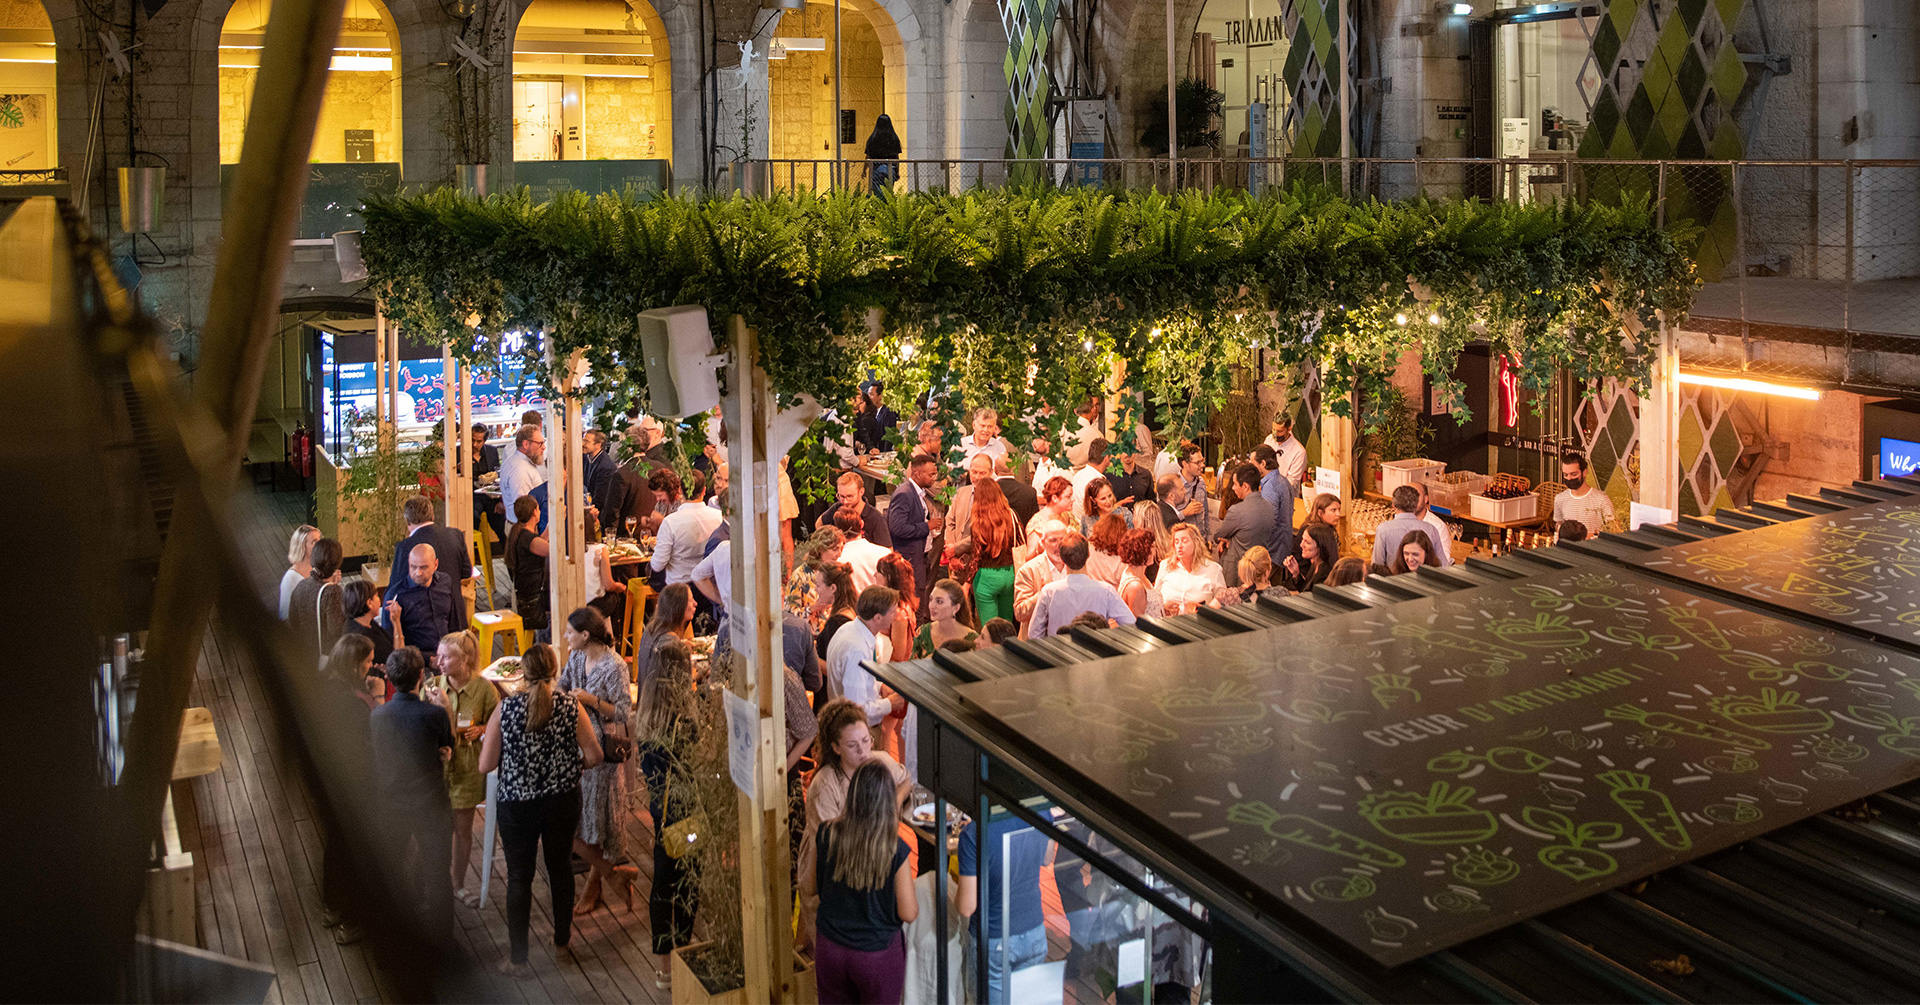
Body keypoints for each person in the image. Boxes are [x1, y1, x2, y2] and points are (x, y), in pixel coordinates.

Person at [478, 643, 601, 979]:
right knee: (560, 868)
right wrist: (570, 768)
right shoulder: (572, 707)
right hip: (562, 800)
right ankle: (562, 944)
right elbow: (594, 756)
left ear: (522, 674)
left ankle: (518, 960)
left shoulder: (505, 710)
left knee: (520, 877)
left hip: (516, 804)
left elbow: (485, 764)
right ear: (555, 671)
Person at [801, 699, 912, 948]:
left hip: (868, 863)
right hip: (832, 872)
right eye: (853, 745)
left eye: (866, 741)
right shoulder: (825, 786)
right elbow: (830, 845)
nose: (863, 751)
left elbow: (906, 780)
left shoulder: (878, 762)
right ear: (836, 747)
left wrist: (895, 799)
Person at [806, 760, 917, 1004]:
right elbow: (908, 913)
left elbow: (810, 887)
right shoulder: (895, 849)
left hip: (830, 948)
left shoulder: (827, 833)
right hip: (876, 955)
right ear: (889, 801)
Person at [368, 647, 456, 935]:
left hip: (392, 804)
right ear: (421, 676)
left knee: (393, 870)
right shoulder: (433, 715)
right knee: (438, 875)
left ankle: (392, 933)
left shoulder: (378, 716)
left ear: (390, 676)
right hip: (430, 805)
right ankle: (442, 937)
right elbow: (447, 745)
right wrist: (443, 708)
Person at [559, 607, 636, 916]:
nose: (565, 637)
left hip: (603, 749)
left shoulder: (615, 666)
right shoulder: (577, 658)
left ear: (585, 635)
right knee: (575, 821)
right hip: (576, 744)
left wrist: (591, 701)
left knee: (598, 818)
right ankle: (611, 875)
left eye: (569, 632)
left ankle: (596, 884)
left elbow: (623, 712)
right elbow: (563, 685)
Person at [633, 637, 700, 987]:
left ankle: (664, 968)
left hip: (661, 812)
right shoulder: (685, 721)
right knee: (687, 885)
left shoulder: (647, 716)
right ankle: (684, 953)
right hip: (688, 815)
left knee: (661, 886)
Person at [428, 630, 498, 909]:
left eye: (446, 657)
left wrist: (481, 728)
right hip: (437, 770)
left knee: (463, 831)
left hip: (468, 769)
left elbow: (497, 723)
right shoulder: (432, 686)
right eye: (439, 655)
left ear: (466, 659)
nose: (439, 662)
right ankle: (435, 883)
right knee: (436, 830)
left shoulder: (484, 689)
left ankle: (457, 884)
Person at [956, 805, 1051, 1004]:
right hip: (1035, 932)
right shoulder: (1042, 813)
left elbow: (966, 906)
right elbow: (1047, 858)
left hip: (994, 941)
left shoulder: (974, 834)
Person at [317, 635, 377, 944]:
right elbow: (369, 741)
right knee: (356, 853)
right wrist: (375, 700)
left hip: (331, 779)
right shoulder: (354, 703)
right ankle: (352, 922)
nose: (371, 666)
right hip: (356, 784)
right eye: (368, 662)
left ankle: (331, 907)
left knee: (335, 847)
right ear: (355, 665)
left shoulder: (327, 685)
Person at [825, 586, 907, 728]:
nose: (895, 616)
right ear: (877, 618)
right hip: (858, 730)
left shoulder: (848, 628)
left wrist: (880, 686)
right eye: (892, 612)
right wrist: (890, 704)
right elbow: (857, 708)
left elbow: (860, 683)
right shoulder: (858, 650)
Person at [1027, 532, 1137, 637]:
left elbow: (1034, 633)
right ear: (1088, 555)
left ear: (1062, 559)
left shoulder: (1049, 591)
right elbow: (1131, 624)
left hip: (1059, 652)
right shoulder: (1106, 590)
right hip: (1095, 652)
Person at [380, 543, 467, 657]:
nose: (418, 573)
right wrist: (428, 659)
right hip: (415, 660)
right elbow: (391, 645)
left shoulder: (445, 582)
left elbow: (454, 623)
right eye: (413, 567)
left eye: (423, 567)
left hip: (447, 652)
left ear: (435, 564)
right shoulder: (396, 596)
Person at [651, 467, 726, 589]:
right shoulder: (719, 517)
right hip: (710, 587)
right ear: (704, 491)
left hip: (679, 589)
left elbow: (657, 565)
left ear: (680, 490)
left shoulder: (670, 522)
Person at [388, 494, 472, 591]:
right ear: (432, 515)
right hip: (454, 604)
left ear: (407, 521)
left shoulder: (405, 547)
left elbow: (395, 587)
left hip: (421, 605)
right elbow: (466, 572)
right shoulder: (455, 534)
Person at [1212, 464, 1275, 588]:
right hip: (1260, 568)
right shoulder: (1270, 508)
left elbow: (1218, 536)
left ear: (1245, 486)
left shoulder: (1237, 511)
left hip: (1238, 571)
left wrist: (1226, 539)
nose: (1233, 488)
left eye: (1235, 484)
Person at [286, 536, 346, 668]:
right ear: (337, 563)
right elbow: (337, 630)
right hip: (326, 660)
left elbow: (293, 622)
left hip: (305, 656)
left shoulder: (302, 585)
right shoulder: (333, 593)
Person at [887, 454, 938, 608]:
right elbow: (897, 528)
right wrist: (926, 526)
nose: (934, 478)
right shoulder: (905, 494)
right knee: (915, 605)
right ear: (917, 474)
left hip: (920, 556)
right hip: (909, 559)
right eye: (931, 474)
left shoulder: (918, 492)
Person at [969, 477, 1019, 624]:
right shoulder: (1011, 515)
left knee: (989, 627)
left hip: (986, 577)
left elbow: (976, 555)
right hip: (1009, 574)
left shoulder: (979, 520)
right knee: (1006, 624)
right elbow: (1020, 542)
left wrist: (966, 583)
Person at [1372, 484, 1453, 568]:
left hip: (1392, 580)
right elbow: (1443, 566)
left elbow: (1377, 567)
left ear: (1393, 505)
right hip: (1423, 580)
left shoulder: (1383, 529)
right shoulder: (1431, 529)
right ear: (1415, 505)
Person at [636, 582, 694, 692]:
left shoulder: (650, 630)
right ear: (679, 607)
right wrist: (697, 675)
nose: (695, 604)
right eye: (691, 601)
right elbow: (681, 692)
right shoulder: (671, 644)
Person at [1012, 525, 1069, 638]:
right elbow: (1020, 613)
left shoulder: (1075, 566)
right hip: (1039, 641)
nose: (1058, 545)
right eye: (1053, 540)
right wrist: (1042, 594)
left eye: (1062, 540)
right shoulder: (1028, 570)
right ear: (1042, 542)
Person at [1158, 522, 1226, 614]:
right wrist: (1163, 608)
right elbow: (1155, 599)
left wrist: (1203, 611)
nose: (1179, 546)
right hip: (1167, 622)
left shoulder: (1214, 569)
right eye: (1176, 542)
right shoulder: (1165, 566)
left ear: (1196, 543)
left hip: (1199, 624)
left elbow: (1223, 603)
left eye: (1184, 541)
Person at [787, 527, 846, 631]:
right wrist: (813, 608)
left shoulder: (835, 572)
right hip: (809, 636)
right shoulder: (800, 576)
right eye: (835, 549)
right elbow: (788, 617)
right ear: (820, 549)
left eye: (841, 548)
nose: (840, 554)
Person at [505, 495, 550, 631]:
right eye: (538, 508)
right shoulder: (528, 539)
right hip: (534, 596)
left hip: (525, 591)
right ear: (534, 512)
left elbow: (540, 543)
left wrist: (550, 527)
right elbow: (553, 550)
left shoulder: (519, 532)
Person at [815, 470, 892, 548]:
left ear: (861, 492)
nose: (845, 501)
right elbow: (819, 523)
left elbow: (888, 550)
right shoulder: (838, 507)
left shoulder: (875, 518)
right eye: (841, 496)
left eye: (850, 496)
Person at [943, 452, 996, 554]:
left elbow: (985, 532)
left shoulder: (996, 498)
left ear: (991, 472)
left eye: (982, 473)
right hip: (955, 555)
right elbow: (950, 520)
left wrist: (956, 548)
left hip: (981, 557)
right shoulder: (961, 492)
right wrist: (951, 550)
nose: (977, 477)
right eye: (974, 472)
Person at [500, 424, 547, 537]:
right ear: (526, 444)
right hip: (524, 531)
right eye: (540, 443)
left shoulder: (517, 462)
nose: (544, 447)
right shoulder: (520, 470)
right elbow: (524, 509)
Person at [1252, 444, 1295, 562]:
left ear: (1263, 464)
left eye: (1253, 464)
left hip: (1272, 552)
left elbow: (1268, 522)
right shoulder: (1283, 480)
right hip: (1282, 548)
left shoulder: (1270, 487)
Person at [1554, 452, 1616, 535]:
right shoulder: (1560, 499)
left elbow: (1614, 529)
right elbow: (1559, 525)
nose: (1569, 478)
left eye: (1574, 474)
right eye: (1565, 475)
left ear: (1584, 472)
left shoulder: (1601, 499)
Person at [342, 577, 397, 670]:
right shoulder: (363, 636)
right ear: (369, 603)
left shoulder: (357, 621)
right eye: (376, 596)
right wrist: (396, 622)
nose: (379, 600)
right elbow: (396, 658)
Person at [834, 505, 893, 592]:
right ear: (862, 524)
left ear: (838, 531)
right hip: (882, 603)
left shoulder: (838, 560)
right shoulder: (885, 553)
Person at [913, 579, 978, 656]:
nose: (931, 606)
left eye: (939, 601)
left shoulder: (972, 639)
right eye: (931, 599)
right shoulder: (923, 632)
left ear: (956, 608)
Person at [876, 551, 919, 663]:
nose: (874, 575)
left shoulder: (899, 613)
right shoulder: (891, 605)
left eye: (878, 572)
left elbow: (898, 656)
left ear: (889, 577)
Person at [813, 562, 860, 663]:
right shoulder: (852, 610)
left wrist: (810, 657)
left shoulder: (838, 622)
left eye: (818, 585)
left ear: (833, 588)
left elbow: (834, 669)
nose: (816, 590)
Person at [582, 430, 625, 538]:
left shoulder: (605, 467)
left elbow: (600, 499)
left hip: (598, 516)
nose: (583, 444)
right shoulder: (587, 458)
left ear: (598, 445)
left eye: (587, 441)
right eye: (583, 440)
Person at [1117, 527, 1165, 619]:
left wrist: (1164, 608)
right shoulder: (1135, 586)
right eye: (1152, 547)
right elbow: (1139, 622)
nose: (1154, 551)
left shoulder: (1138, 574)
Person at [1283, 523, 1339, 593]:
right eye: (1302, 540)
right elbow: (1305, 589)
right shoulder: (1315, 564)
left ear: (1320, 548)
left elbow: (1310, 596)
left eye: (1307, 542)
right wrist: (1296, 573)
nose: (1301, 545)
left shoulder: (1325, 574)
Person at [279, 524, 321, 618]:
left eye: (319, 540)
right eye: (314, 542)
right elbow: (285, 615)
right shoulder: (290, 578)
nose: (319, 544)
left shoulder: (317, 569)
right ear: (302, 546)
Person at [1024, 474, 1074, 553]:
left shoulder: (1068, 515)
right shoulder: (1037, 524)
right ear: (1054, 498)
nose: (1073, 499)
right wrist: (1038, 550)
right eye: (1068, 497)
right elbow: (1029, 558)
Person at [1069, 438, 1110, 519]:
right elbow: (1102, 512)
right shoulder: (1099, 481)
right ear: (1106, 458)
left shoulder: (1077, 475)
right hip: (1092, 526)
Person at [1176, 445, 1212, 537]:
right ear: (1185, 464)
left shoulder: (1201, 482)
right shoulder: (1172, 486)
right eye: (1198, 463)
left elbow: (1206, 512)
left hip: (1201, 540)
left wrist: (1209, 538)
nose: (1202, 465)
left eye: (1202, 461)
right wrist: (1184, 513)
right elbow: (1164, 519)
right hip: (1183, 541)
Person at [995, 456, 1039, 530]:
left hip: (994, 539)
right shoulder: (1029, 492)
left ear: (995, 470)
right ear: (1014, 468)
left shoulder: (987, 492)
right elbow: (1035, 523)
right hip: (1023, 539)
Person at [1264, 414, 1309, 485]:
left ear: (1289, 429)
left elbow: (1292, 482)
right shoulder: (1269, 439)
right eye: (1274, 429)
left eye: (1279, 431)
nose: (1275, 434)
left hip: (1285, 492)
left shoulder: (1299, 452)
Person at [864, 113, 902, 194]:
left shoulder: (873, 138)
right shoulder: (893, 138)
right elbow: (896, 157)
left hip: (876, 168)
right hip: (890, 168)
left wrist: (864, 170)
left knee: (878, 193)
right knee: (888, 193)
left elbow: (868, 156)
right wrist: (897, 171)